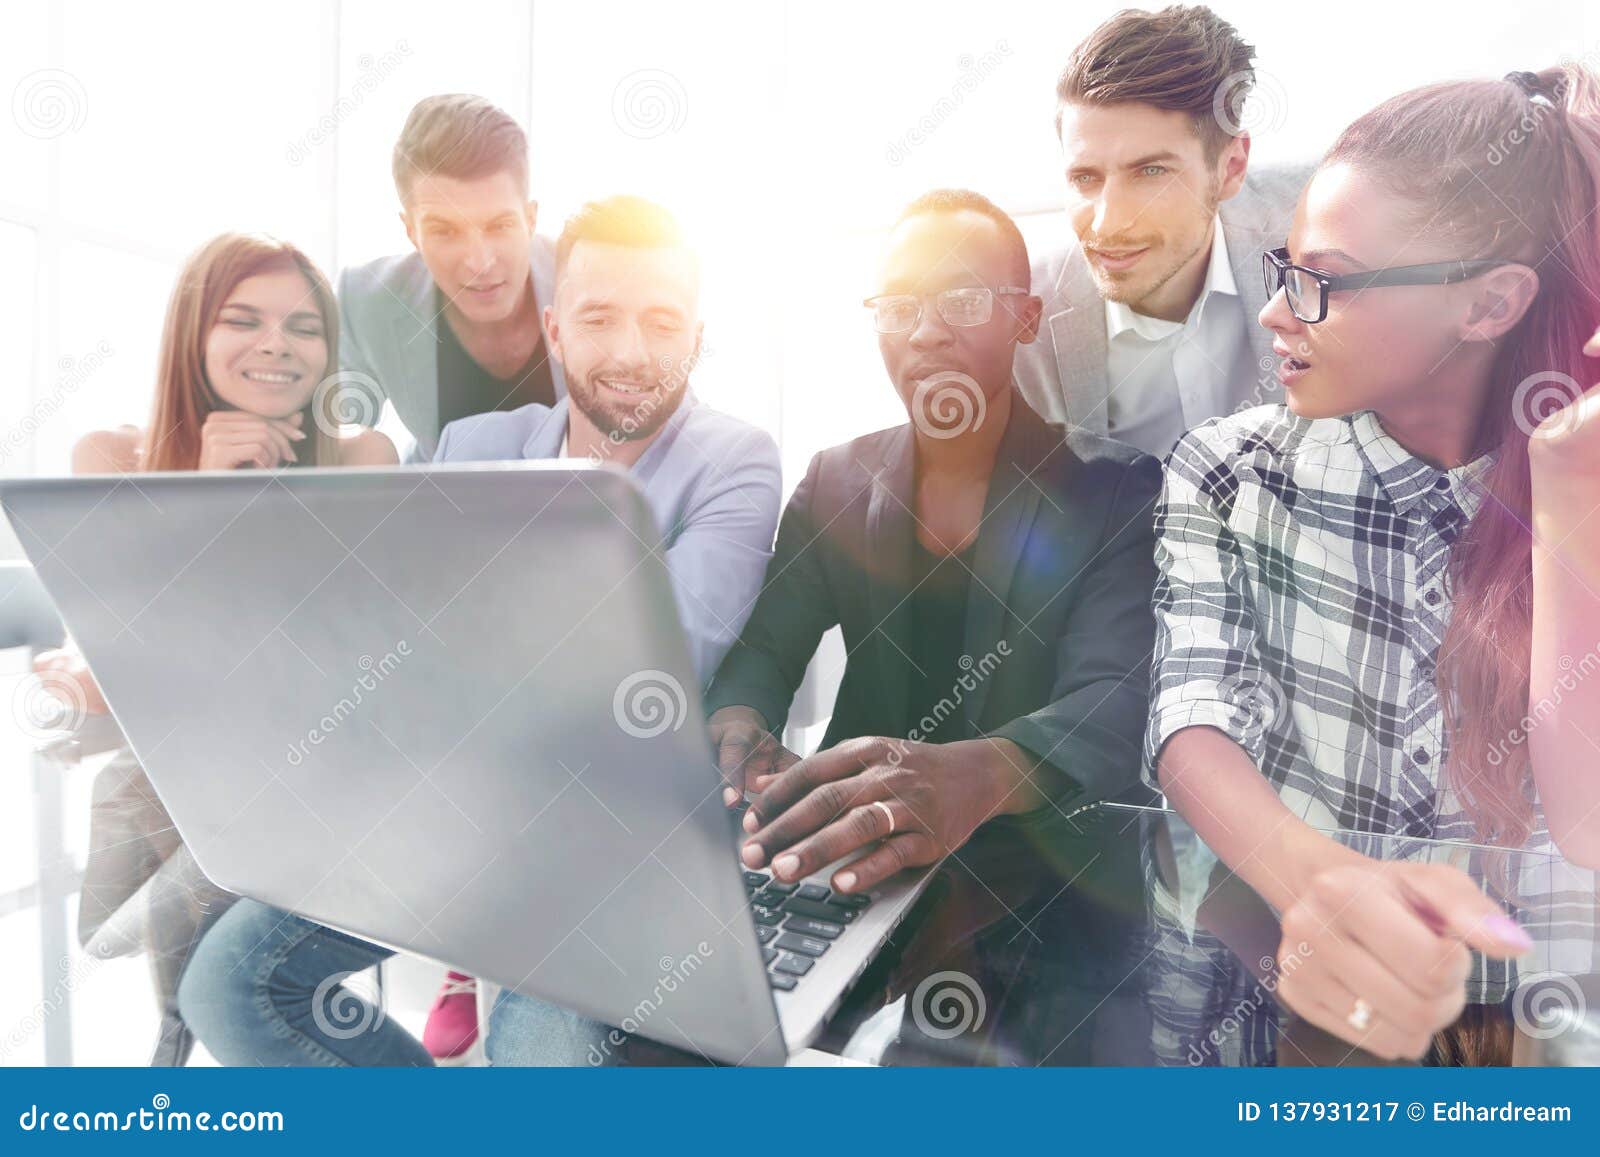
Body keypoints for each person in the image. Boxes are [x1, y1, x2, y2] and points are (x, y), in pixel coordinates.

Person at [482, 188, 1161, 1066]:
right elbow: (764, 650)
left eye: (961, 301)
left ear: (1026, 317)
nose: (927, 332)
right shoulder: (838, 478)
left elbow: (1115, 699)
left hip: (1036, 885)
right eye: (900, 306)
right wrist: (740, 723)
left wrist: (976, 775)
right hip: (845, 859)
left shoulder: (1116, 487)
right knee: (647, 1044)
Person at [176, 195, 782, 1067]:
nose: (631, 351)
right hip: (449, 809)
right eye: (599, 318)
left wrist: (459, 635)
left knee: (533, 1058)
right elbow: (371, 614)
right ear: (556, 330)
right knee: (229, 984)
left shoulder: (734, 459)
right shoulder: (471, 445)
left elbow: (665, 657)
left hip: (612, 834)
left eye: (662, 322)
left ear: (696, 336)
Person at [1148, 65, 1600, 1062]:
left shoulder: (1583, 481)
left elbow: (1590, 823)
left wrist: (1569, 484)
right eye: (1284, 269)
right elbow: (1192, 717)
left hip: (1546, 1034)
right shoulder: (1229, 471)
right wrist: (1317, 882)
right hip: (1286, 1018)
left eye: (1325, 282)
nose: (1276, 313)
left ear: (1489, 303)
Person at [32, 232, 394, 1064]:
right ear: (193, 333)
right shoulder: (112, 457)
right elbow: (129, 663)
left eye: (304, 327)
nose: (277, 344)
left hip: (316, 784)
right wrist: (202, 493)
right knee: (151, 943)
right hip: (180, 781)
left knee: (213, 990)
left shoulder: (360, 458)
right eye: (243, 319)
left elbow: (340, 671)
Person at [1013, 4, 1308, 456]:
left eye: (1150, 172)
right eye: (1085, 177)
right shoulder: (1018, 318)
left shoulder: (1318, 229)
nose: (1108, 223)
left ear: (1231, 167)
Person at [336, 94, 566, 462]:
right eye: (445, 231)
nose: (480, 262)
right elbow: (330, 430)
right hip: (436, 498)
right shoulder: (369, 299)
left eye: (500, 225)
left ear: (531, 218)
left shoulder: (586, 281)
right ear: (411, 231)